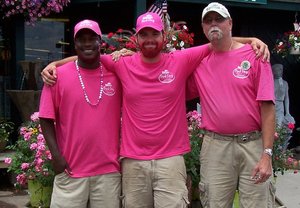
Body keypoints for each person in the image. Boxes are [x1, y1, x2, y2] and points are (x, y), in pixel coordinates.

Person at [40, 12, 270, 208]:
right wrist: (55, 64)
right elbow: (88, 56)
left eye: (154, 34)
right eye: (144, 34)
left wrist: (251, 40)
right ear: (136, 39)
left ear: (164, 36)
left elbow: (219, 41)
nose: (150, 39)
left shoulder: (181, 59)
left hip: (170, 159)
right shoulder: (122, 63)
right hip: (133, 161)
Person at [187, 2, 275, 208]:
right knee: (214, 203)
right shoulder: (199, 60)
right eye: (208, 21)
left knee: (257, 204)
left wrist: (267, 154)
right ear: (202, 27)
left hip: (253, 145)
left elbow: (268, 108)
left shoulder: (256, 55)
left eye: (219, 19)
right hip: (215, 147)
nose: (213, 24)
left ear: (230, 23)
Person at [39, 20, 122, 208]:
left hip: (108, 172)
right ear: (74, 44)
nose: (87, 44)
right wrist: (56, 157)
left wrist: (127, 52)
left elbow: (139, 62)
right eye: (81, 39)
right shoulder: (56, 76)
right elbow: (45, 118)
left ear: (100, 42)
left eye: (92, 39)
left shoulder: (115, 73)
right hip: (71, 171)